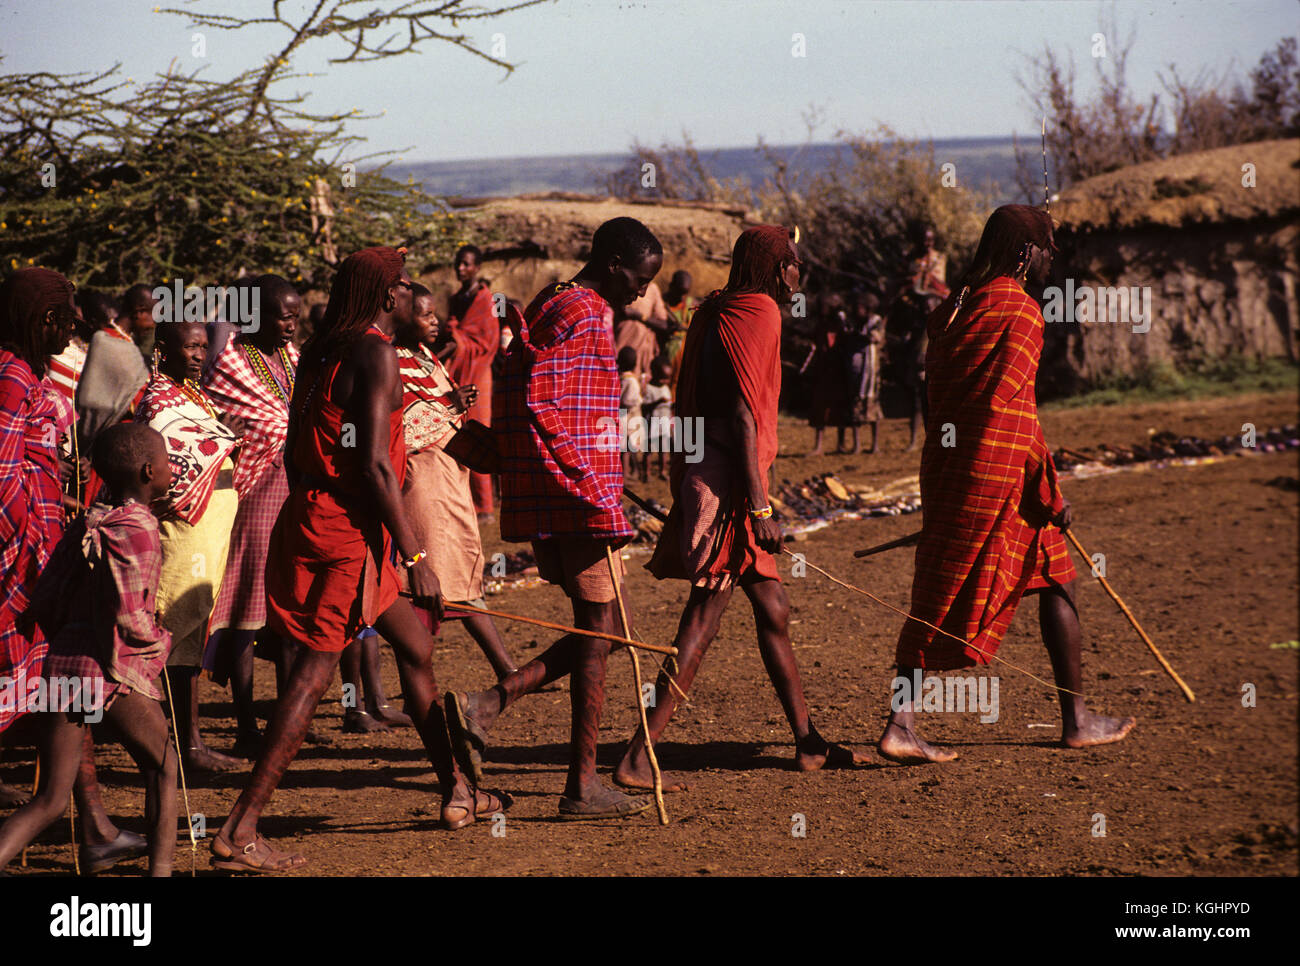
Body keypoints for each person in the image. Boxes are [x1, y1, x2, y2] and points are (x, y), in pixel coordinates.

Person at [211, 246, 503, 873]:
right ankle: (239, 828)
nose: (409, 293)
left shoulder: (320, 351)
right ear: (384, 295)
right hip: (348, 536)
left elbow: (297, 451)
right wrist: (416, 551)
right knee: (314, 675)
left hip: (322, 523)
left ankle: (459, 789)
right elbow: (373, 461)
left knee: (417, 649)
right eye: (400, 286)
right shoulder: (372, 352)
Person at [878, 205, 1136, 765]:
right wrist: (1048, 489)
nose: (1051, 260)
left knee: (1047, 578)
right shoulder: (1020, 311)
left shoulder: (952, 308)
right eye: (1046, 249)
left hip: (951, 469)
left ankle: (1075, 718)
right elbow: (1014, 412)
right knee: (944, 598)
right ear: (1024, 253)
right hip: (1001, 472)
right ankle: (903, 725)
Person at [615, 226, 865, 793]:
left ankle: (807, 742)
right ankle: (637, 755)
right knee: (701, 623)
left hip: (714, 474)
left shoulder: (715, 311)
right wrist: (758, 509)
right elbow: (744, 418)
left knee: (772, 607)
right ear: (780, 270)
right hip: (733, 488)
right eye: (795, 263)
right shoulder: (759, 313)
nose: (800, 273)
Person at [445, 217, 663, 820]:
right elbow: (542, 397)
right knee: (602, 628)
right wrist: (594, 486)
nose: (640, 295)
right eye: (639, 281)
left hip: (553, 492)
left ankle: (494, 702)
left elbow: (525, 386)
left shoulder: (551, 300)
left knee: (606, 626)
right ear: (615, 263)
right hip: (575, 496)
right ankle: (578, 784)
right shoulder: (587, 311)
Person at [0, 267, 146, 871]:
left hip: (41, 562)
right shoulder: (10, 376)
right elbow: (3, 479)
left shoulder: (25, 371)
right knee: (43, 689)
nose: (71, 331)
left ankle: (95, 828)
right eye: (63, 320)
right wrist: (37, 555)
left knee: (65, 687)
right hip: (19, 573)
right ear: (43, 321)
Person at [2, 423, 178, 876]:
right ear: (147, 471)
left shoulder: (87, 521)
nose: (171, 465)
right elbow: (129, 619)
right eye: (165, 459)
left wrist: (70, 638)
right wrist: (163, 641)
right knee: (162, 769)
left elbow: (43, 601)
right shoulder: (139, 528)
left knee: (50, 799)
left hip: (64, 663)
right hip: (110, 668)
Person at [393, 284, 516, 680]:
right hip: (423, 483)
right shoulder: (390, 361)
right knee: (430, 583)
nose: (436, 322)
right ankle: (404, 688)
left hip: (449, 478)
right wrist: (450, 404)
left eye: (434, 314)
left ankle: (502, 668)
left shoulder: (426, 357)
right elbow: (396, 432)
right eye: (426, 315)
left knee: (460, 574)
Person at [201, 276, 302, 757]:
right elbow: (217, 427)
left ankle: (286, 719)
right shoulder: (228, 366)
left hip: (294, 495)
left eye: (295, 316)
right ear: (256, 315)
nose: (291, 324)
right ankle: (245, 726)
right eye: (284, 316)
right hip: (251, 497)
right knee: (245, 612)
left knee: (287, 611)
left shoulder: (292, 358)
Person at [137, 320, 242, 773]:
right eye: (189, 347)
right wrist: (223, 436)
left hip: (212, 525)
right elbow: (169, 455)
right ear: (163, 350)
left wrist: (220, 434)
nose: (200, 355)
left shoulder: (193, 395)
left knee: (193, 632)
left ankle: (188, 741)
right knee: (174, 628)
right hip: (186, 528)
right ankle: (173, 746)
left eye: (203, 347)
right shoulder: (158, 397)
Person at [441, 245, 499, 521]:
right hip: (457, 373)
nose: (460, 268)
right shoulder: (456, 298)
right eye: (458, 263)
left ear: (477, 267)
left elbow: (487, 342)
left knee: (478, 432)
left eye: (466, 264)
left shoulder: (486, 299)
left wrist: (457, 339)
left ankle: (485, 505)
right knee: (457, 433)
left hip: (477, 373)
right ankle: (464, 501)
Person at [75, 290, 150, 454]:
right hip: (103, 441)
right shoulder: (104, 340)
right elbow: (90, 399)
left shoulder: (127, 344)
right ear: (139, 311)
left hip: (122, 441)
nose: (153, 324)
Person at [839, 290, 886, 455]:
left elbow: (875, 337)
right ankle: (857, 444)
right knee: (855, 403)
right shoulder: (851, 321)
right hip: (856, 368)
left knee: (873, 403)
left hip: (871, 369)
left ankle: (875, 444)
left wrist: (859, 334)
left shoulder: (875, 321)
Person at [806, 292, 847, 456]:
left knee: (839, 406)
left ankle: (841, 443)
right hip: (823, 368)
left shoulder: (840, 323)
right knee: (820, 406)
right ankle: (819, 445)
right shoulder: (820, 324)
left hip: (837, 369)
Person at [614, 276, 667, 384]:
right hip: (620, 346)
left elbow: (663, 324)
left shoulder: (652, 289)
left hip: (641, 351)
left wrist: (639, 316)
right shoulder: (621, 283)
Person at [641, 356, 674, 480]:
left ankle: (662, 471)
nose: (665, 381)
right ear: (655, 374)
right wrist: (658, 401)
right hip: (653, 423)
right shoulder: (649, 389)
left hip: (664, 423)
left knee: (663, 449)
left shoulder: (665, 388)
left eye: (667, 379)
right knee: (648, 449)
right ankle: (647, 473)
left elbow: (669, 405)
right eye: (662, 378)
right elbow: (644, 406)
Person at [617, 345, 646, 482]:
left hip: (622, 418)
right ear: (635, 364)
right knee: (628, 449)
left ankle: (629, 472)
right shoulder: (631, 380)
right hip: (629, 418)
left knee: (625, 449)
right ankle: (628, 473)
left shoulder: (619, 377)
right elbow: (630, 401)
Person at [662, 270, 695, 384]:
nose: (682, 297)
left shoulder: (691, 305)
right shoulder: (661, 303)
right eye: (679, 292)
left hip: (686, 360)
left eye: (685, 293)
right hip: (664, 357)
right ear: (671, 286)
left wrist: (683, 328)